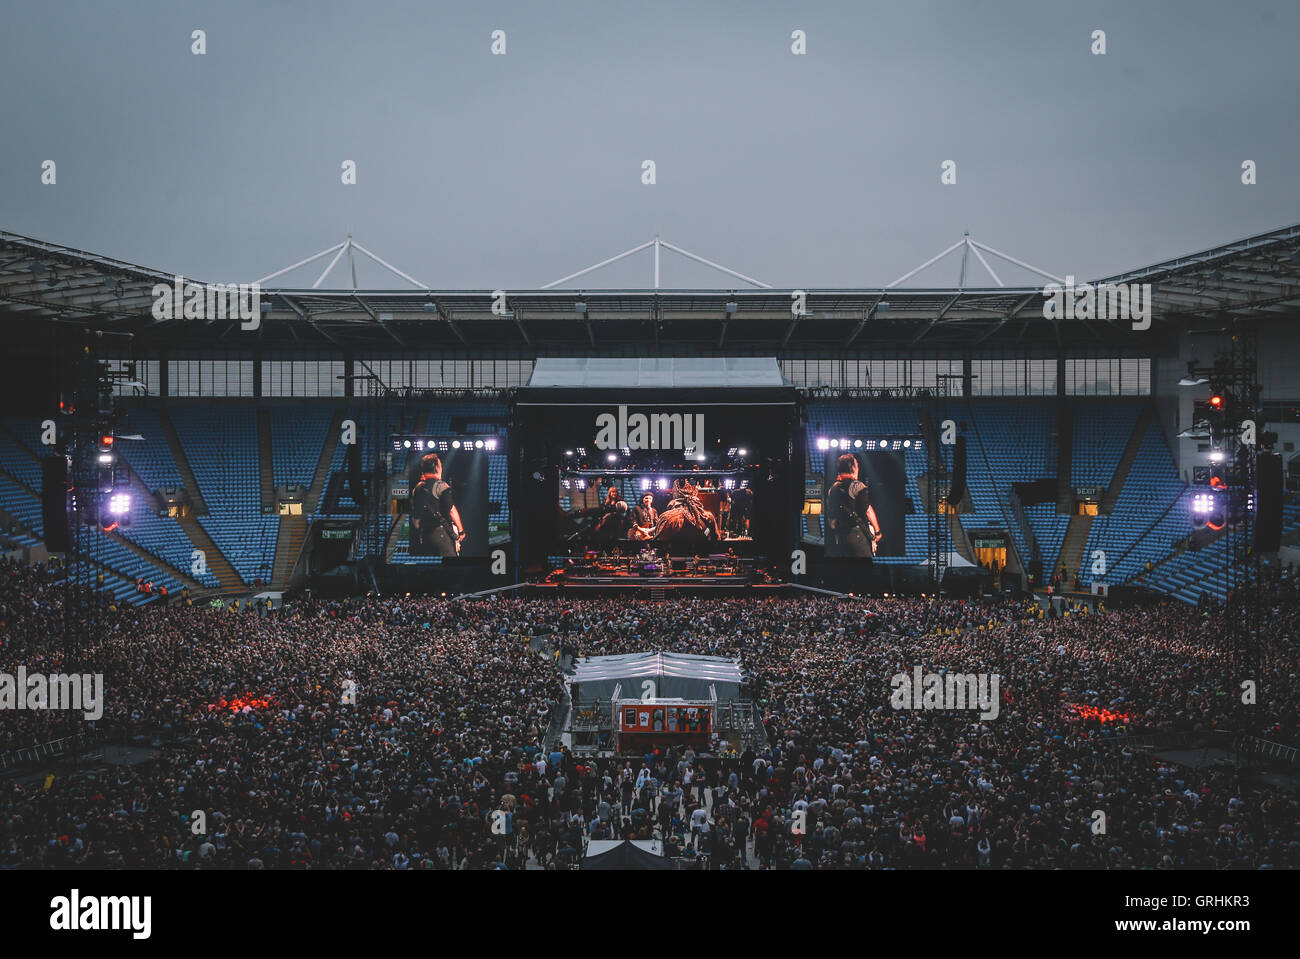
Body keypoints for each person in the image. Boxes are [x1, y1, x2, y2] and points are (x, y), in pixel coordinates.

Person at [825, 453, 881, 557]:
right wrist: (877, 531)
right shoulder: (857, 486)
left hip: (840, 537)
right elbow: (868, 510)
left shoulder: (832, 489)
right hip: (857, 535)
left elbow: (831, 520)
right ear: (852, 467)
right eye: (857, 465)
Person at [410, 453, 464, 556]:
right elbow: (451, 510)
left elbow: (416, 519)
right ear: (436, 467)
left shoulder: (416, 489)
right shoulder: (441, 486)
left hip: (424, 535)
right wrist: (461, 531)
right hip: (441, 534)